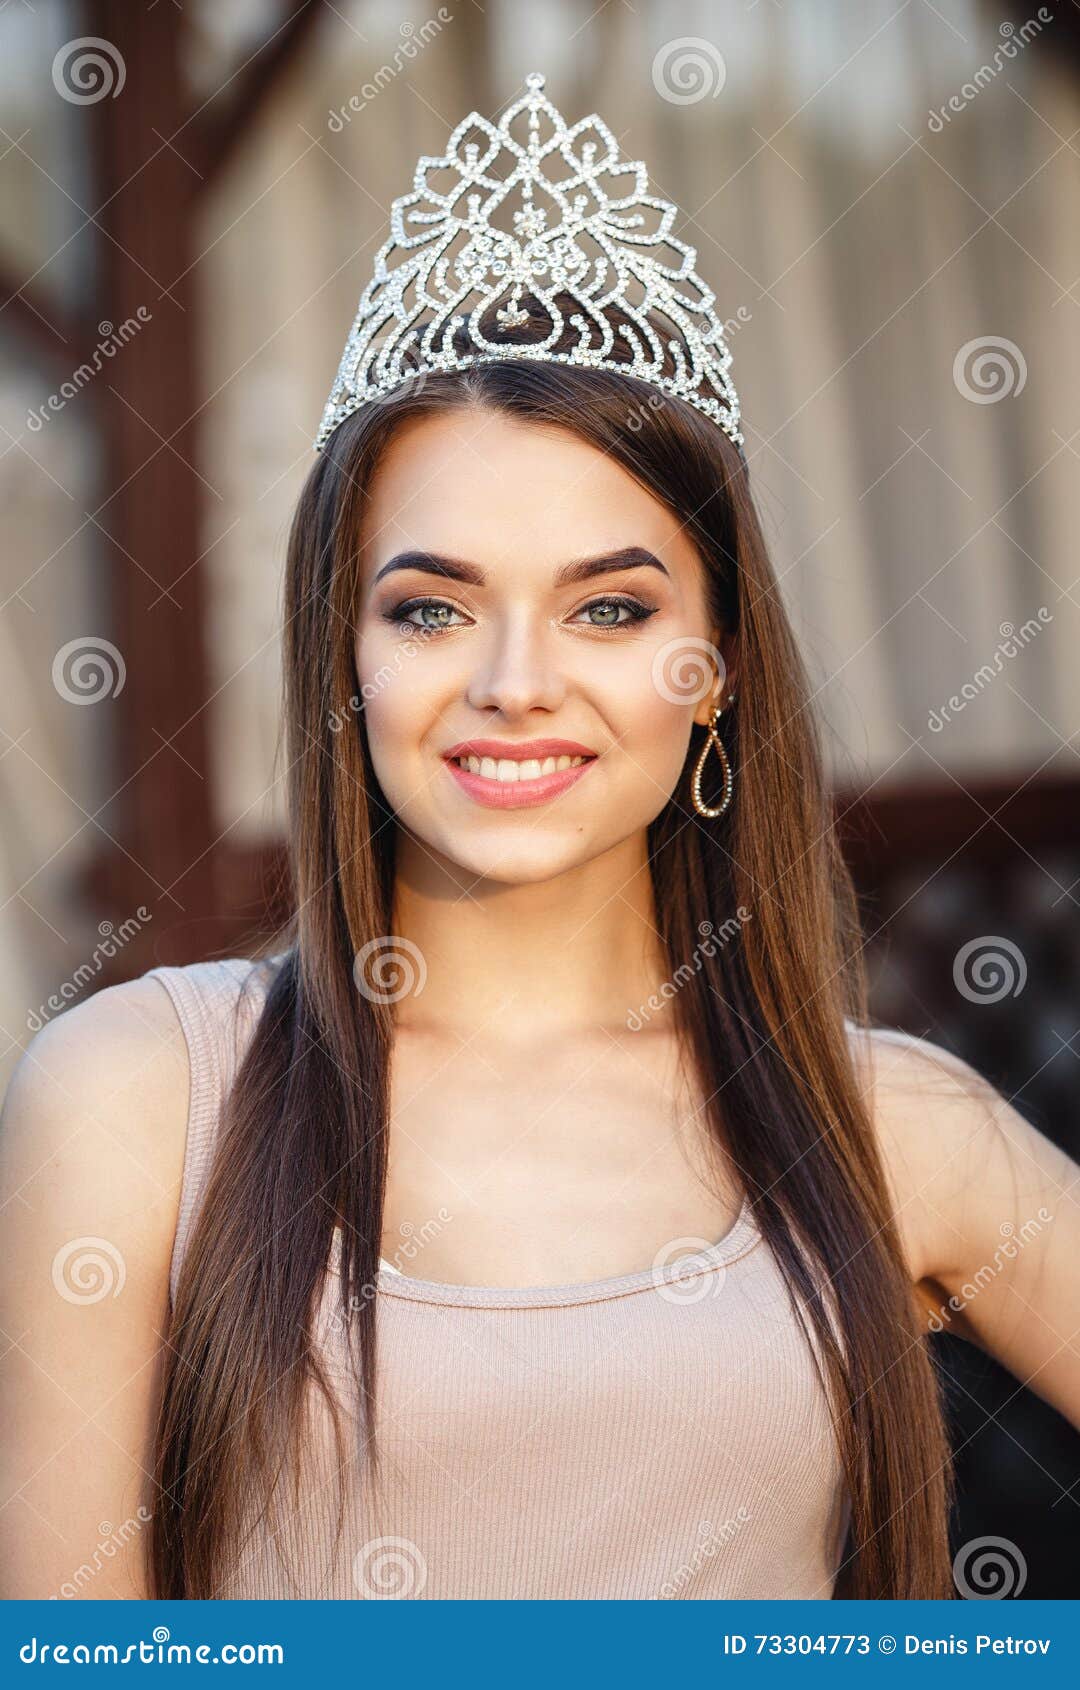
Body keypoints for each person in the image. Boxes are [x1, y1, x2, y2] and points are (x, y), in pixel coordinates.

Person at [1, 72, 1076, 1604]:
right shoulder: (138, 1097)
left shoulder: (886, 1121)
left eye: (612, 607)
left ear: (716, 675)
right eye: (432, 607)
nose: (515, 681)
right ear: (345, 656)